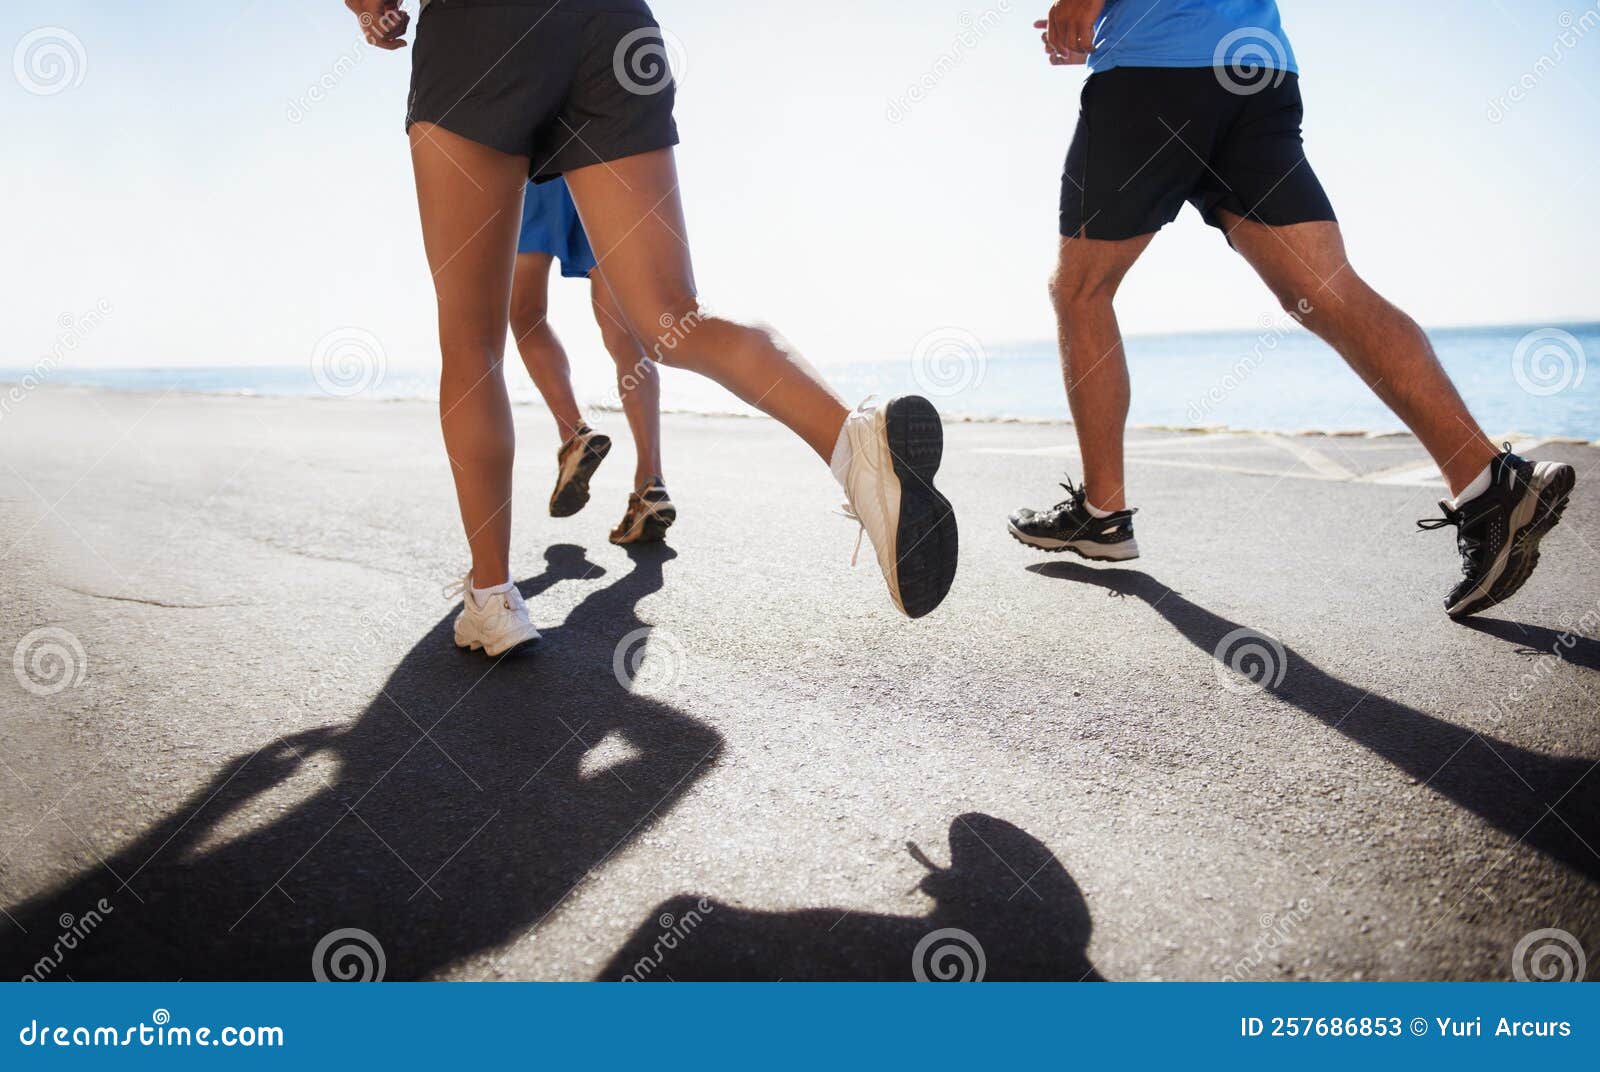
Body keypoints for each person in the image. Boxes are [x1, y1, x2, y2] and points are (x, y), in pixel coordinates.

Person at [345, 0, 958, 657]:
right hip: (612, 26)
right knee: (672, 315)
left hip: (483, 27)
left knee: (472, 341)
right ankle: (853, 442)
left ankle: (493, 598)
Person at [1008, 0, 1576, 620]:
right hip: (1257, 71)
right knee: (1328, 292)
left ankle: (1102, 513)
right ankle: (1489, 485)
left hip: (1157, 69)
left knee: (1081, 290)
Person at [509, 175, 675, 546]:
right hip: (600, 162)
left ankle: (574, 434)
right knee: (624, 335)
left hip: (536, 167)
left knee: (525, 313)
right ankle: (651, 483)